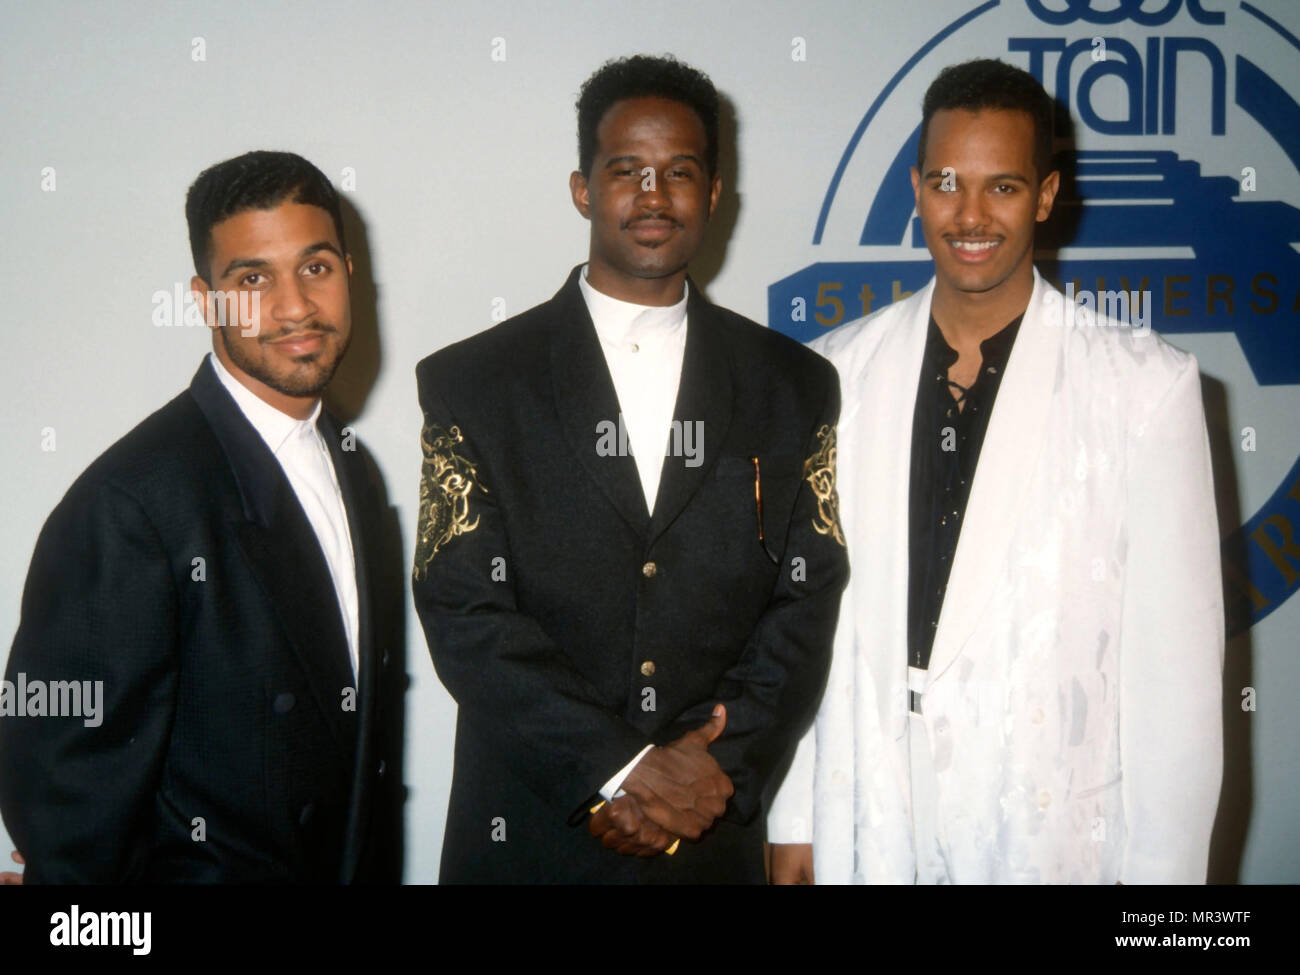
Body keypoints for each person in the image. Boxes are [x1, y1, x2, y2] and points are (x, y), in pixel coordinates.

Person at [768, 58, 1223, 884]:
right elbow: (802, 619)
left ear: (1046, 197)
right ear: (915, 187)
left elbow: (1177, 690)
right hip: (865, 804)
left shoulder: (1146, 388)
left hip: (1047, 821)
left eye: (1003, 187)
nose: (969, 214)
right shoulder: (832, 374)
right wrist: (794, 812)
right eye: (947, 181)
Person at [412, 55, 848, 883]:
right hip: (528, 837)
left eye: (680, 172)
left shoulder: (793, 385)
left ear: (714, 194)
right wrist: (619, 769)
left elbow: (804, 601)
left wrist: (706, 774)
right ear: (582, 188)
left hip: (708, 838)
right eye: (627, 171)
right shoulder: (472, 382)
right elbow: (463, 608)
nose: (654, 195)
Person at [0, 151, 403, 883]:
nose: (292, 307)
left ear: (349, 270)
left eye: (314, 267)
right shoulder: (131, 502)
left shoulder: (355, 469)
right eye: (252, 279)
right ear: (205, 299)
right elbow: (64, 805)